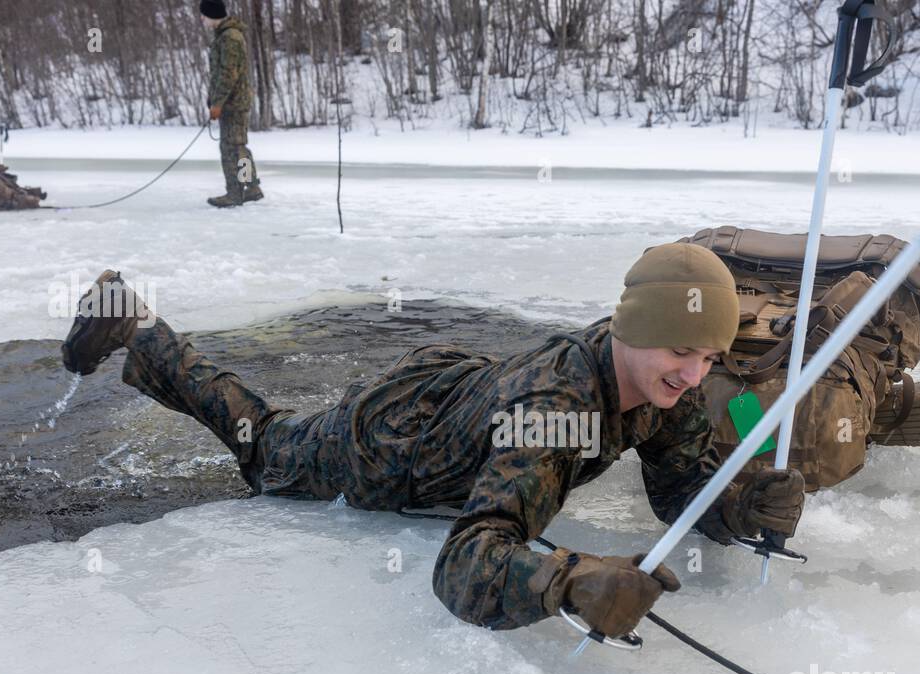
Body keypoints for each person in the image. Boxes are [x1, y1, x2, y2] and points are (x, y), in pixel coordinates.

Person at [60, 244, 806, 638]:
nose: (694, 372)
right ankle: (139, 328)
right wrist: (567, 582)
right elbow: (466, 563)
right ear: (635, 331)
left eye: (709, 358)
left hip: (456, 392)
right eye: (683, 351)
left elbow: (679, 487)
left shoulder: (658, 382)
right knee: (266, 448)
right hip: (388, 441)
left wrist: (739, 508)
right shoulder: (553, 411)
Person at [200, 0, 262, 207]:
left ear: (212, 15)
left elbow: (228, 74)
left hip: (233, 103)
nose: (202, 19)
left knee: (231, 148)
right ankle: (251, 187)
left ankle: (235, 193)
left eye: (204, 15)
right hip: (232, 101)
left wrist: (217, 103)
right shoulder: (225, 36)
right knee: (238, 146)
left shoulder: (229, 38)